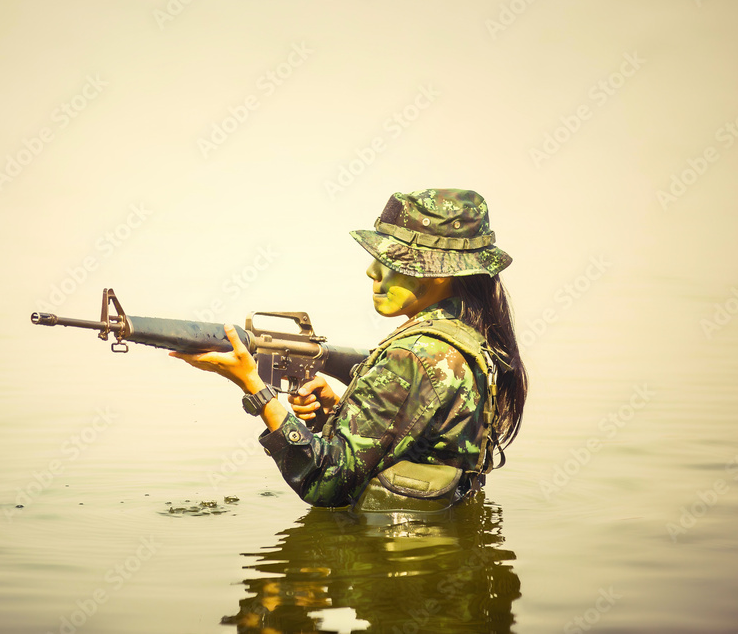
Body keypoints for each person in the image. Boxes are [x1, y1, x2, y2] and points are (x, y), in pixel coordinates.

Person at [170, 188, 527, 509]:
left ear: (440, 272)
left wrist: (254, 388)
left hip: (388, 563)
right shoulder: (467, 338)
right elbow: (419, 441)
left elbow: (325, 484)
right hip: (430, 549)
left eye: (390, 259)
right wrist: (336, 411)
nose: (372, 271)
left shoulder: (414, 355)